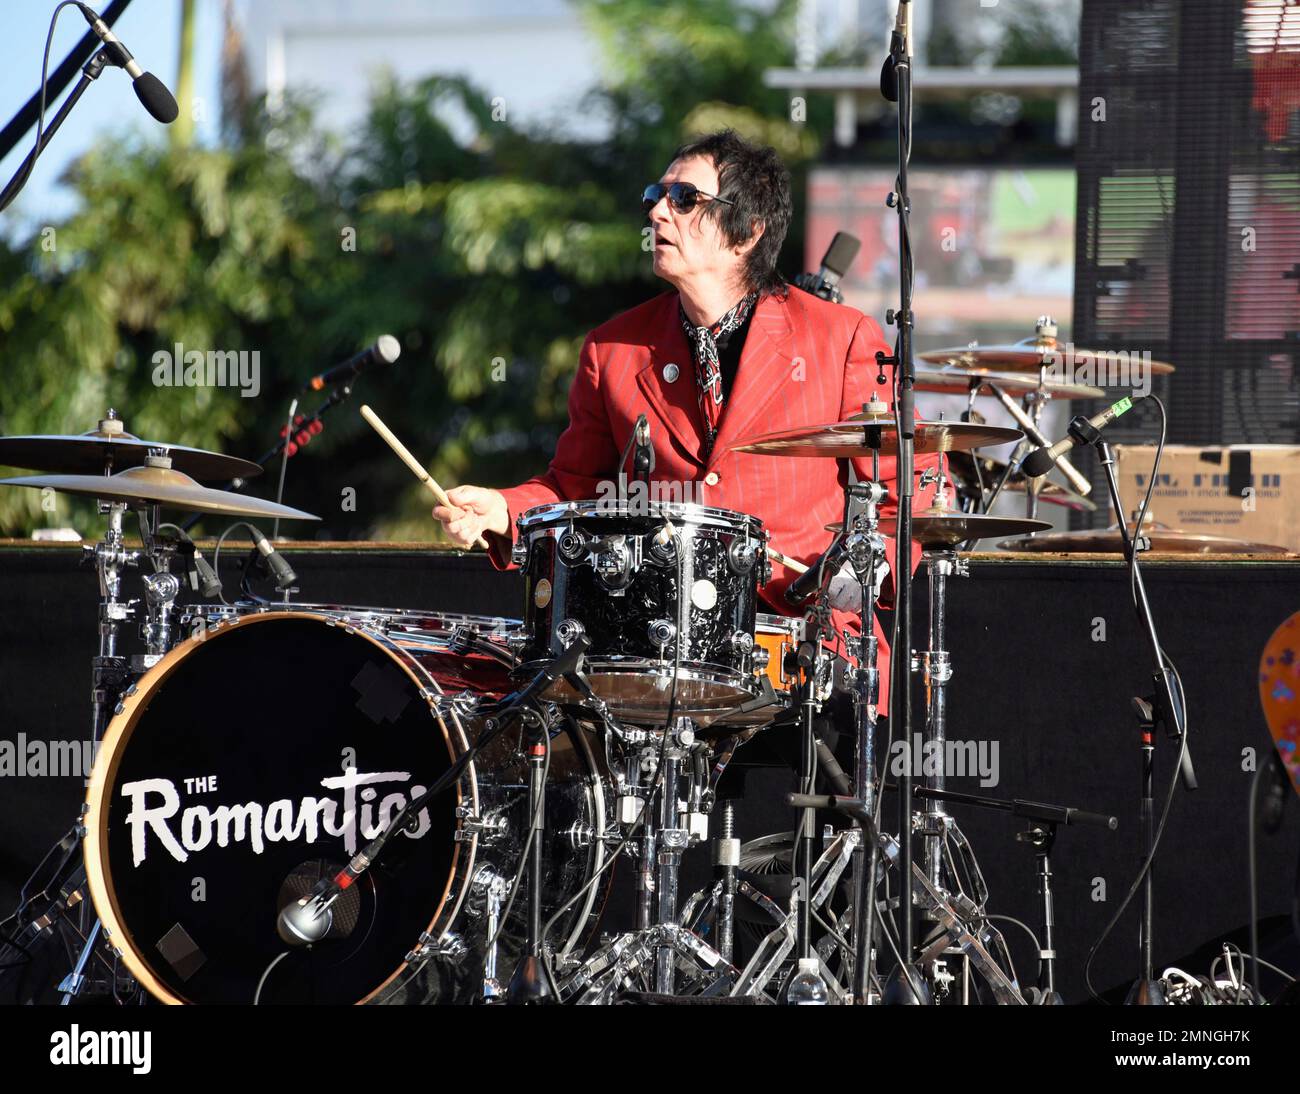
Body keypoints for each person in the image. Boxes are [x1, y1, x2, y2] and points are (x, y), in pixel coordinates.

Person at [433, 128, 929, 719]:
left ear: (747, 231)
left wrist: (850, 581)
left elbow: (912, 493)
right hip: (653, 658)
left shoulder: (841, 337)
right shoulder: (611, 349)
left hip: (808, 657)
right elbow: (573, 492)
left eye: (684, 199)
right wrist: (503, 510)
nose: (657, 210)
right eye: (655, 194)